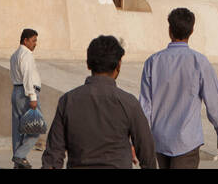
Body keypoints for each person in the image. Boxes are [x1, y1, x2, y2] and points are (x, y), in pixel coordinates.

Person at [42, 35, 157, 169]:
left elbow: (53, 156)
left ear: (88, 64)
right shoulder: (129, 103)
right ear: (118, 65)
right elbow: (146, 151)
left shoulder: (68, 101)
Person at [139, 7, 218, 168]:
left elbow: (145, 106)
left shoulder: (153, 62)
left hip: (159, 141)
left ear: (169, 30)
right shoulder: (199, 62)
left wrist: (142, 139)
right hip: (187, 141)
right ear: (192, 31)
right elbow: (214, 104)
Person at [9, 28, 41, 168]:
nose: (35, 44)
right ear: (25, 40)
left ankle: (18, 165)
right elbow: (27, 76)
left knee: (18, 130)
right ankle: (19, 156)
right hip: (26, 93)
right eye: (33, 41)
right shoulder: (26, 54)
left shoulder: (14, 55)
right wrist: (32, 96)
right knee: (36, 127)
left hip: (16, 91)